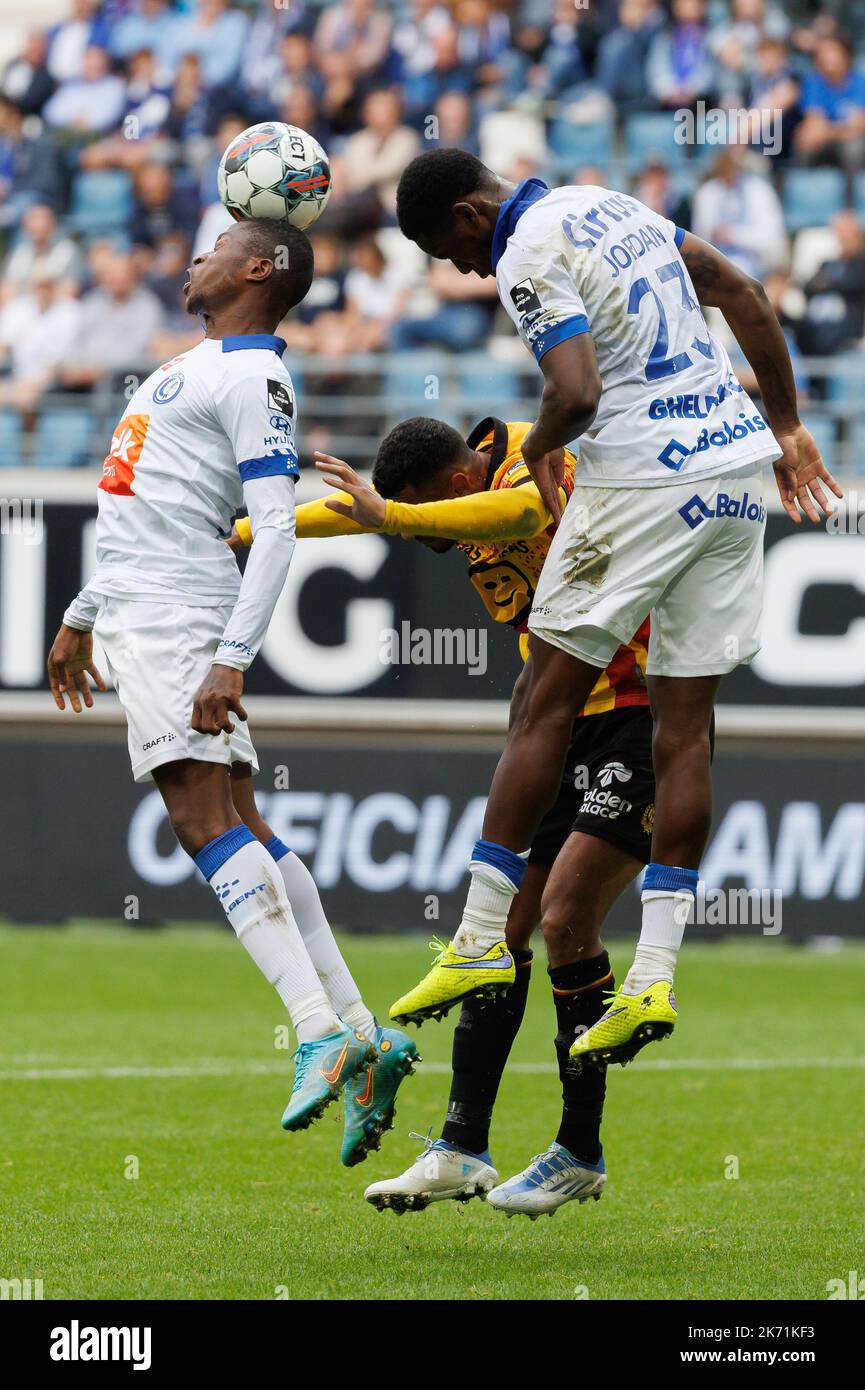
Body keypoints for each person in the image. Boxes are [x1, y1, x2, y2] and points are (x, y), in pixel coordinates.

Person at [389, 148, 839, 1072]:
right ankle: (655, 973)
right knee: (684, 727)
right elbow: (747, 292)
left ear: (473, 215)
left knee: (541, 700)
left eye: (448, 250)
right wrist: (786, 424)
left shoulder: (522, 251)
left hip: (643, 479)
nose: (460, 272)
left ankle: (476, 935)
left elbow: (577, 391)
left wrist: (548, 447)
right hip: (732, 475)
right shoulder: (613, 206)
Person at [46, 218, 417, 1165]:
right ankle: (365, 1038)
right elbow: (149, 510)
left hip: (179, 619)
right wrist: (86, 611)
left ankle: (316, 1032)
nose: (192, 259)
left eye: (212, 247)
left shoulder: (254, 376)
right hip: (143, 605)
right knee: (244, 827)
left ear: (258, 268)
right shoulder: (196, 366)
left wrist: (231, 656)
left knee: (199, 822)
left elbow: (275, 525)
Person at [233, 414, 655, 1216]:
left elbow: (524, 514)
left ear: (455, 482)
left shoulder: (537, 452)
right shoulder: (448, 494)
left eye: (423, 512)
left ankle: (580, 1149)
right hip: (554, 728)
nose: (427, 538)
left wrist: (395, 515)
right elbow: (354, 514)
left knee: (567, 920)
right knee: (499, 939)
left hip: (640, 712)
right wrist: (249, 529)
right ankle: (461, 1147)